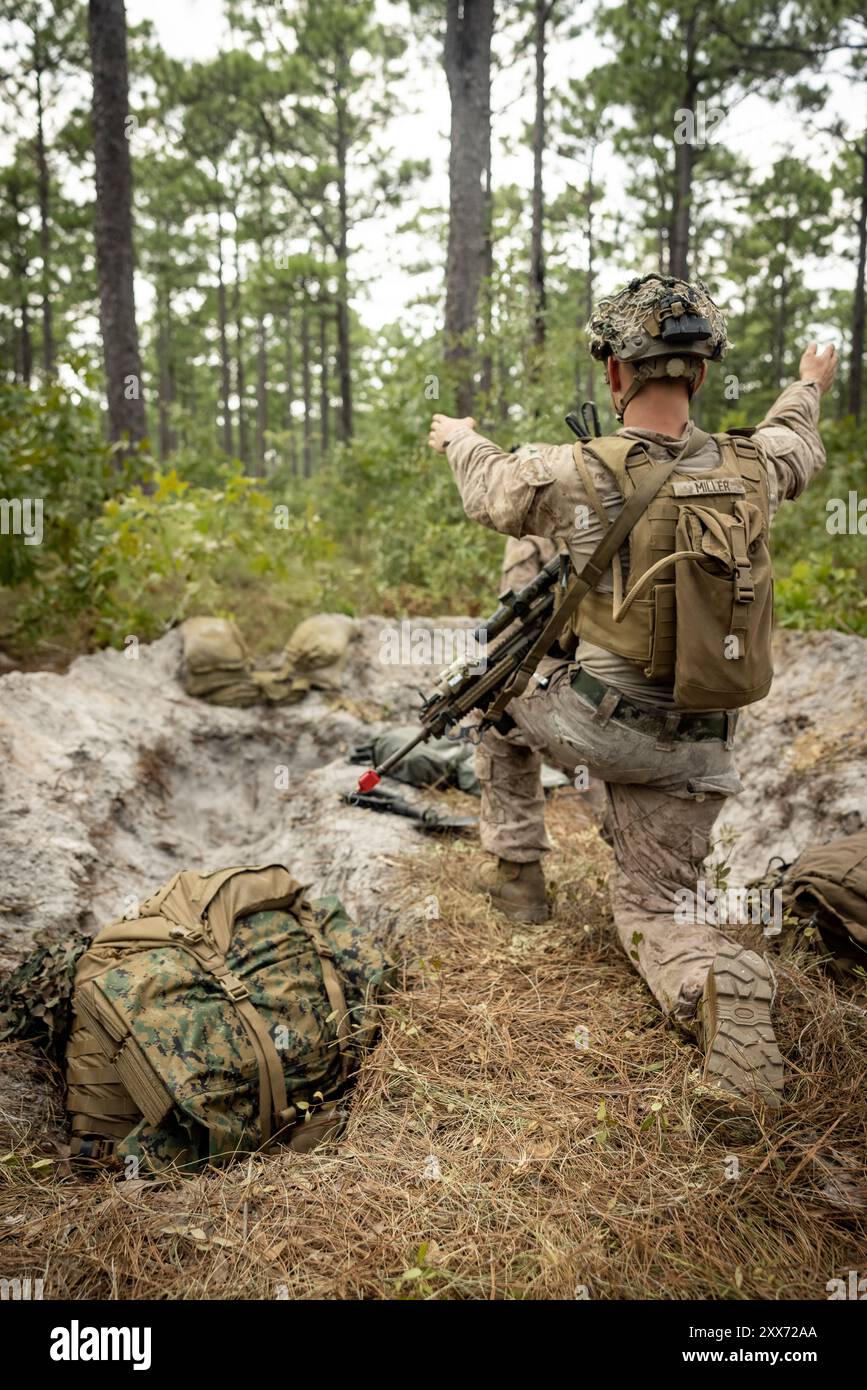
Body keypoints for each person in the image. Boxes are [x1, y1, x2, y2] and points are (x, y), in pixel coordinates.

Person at [428, 272, 838, 1106]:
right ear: (698, 376)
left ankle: (517, 880)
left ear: (614, 373)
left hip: (599, 727)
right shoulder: (752, 465)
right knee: (656, 906)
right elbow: (797, 442)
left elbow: (492, 491)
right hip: (700, 747)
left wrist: (458, 437)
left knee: (489, 698)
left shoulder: (577, 468)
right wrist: (806, 382)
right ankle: (709, 990)